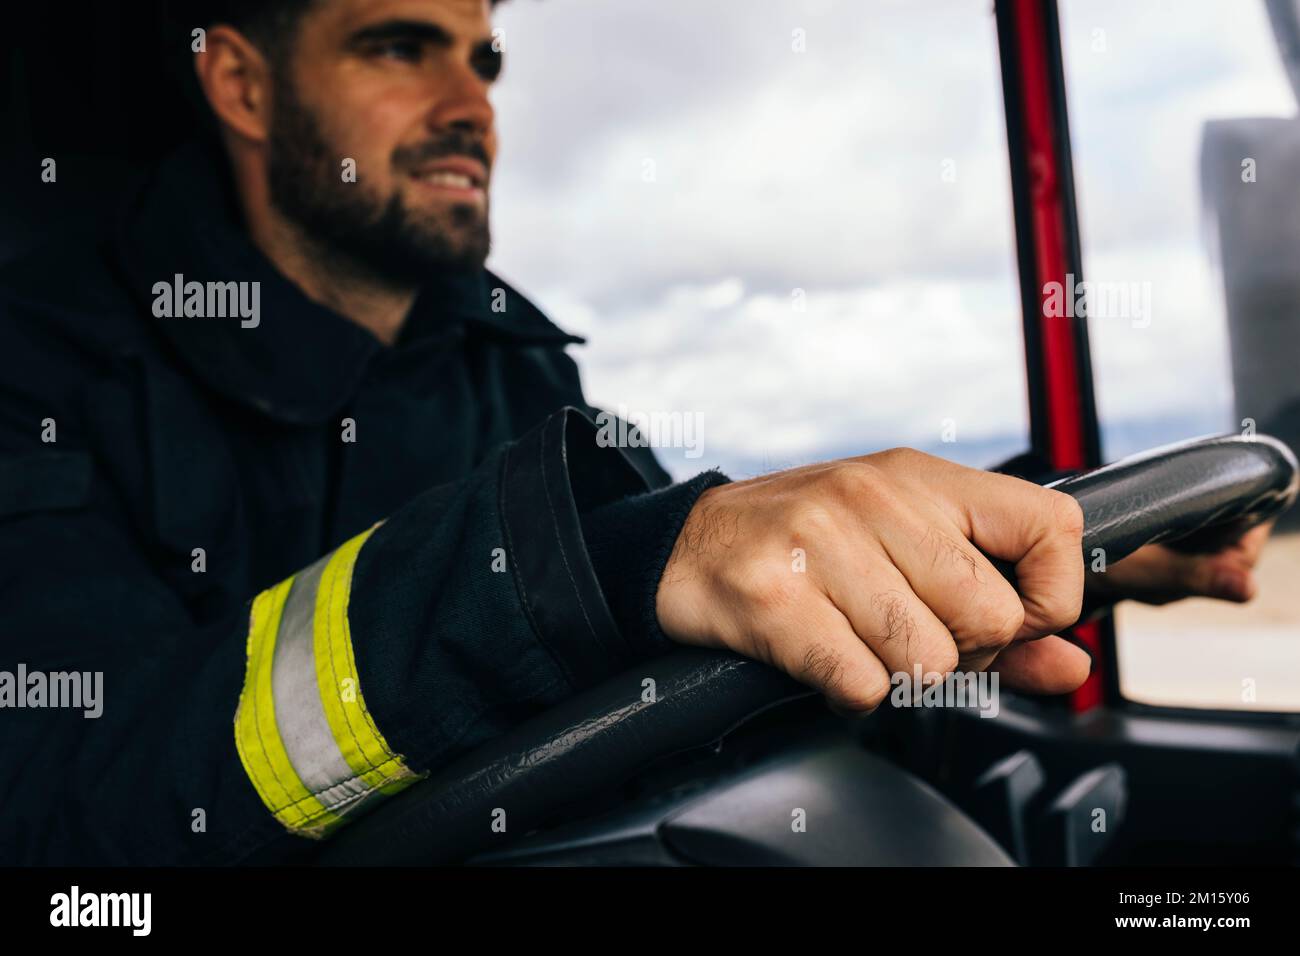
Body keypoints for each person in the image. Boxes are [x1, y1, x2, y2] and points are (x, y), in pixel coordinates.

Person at [0, 0, 1271, 864]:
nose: (470, 102)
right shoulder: (44, 369)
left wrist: (956, 580)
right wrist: (595, 575)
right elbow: (61, 815)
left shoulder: (518, 366)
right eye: (402, 47)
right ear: (242, 82)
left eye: (485, 58)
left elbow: (704, 656)